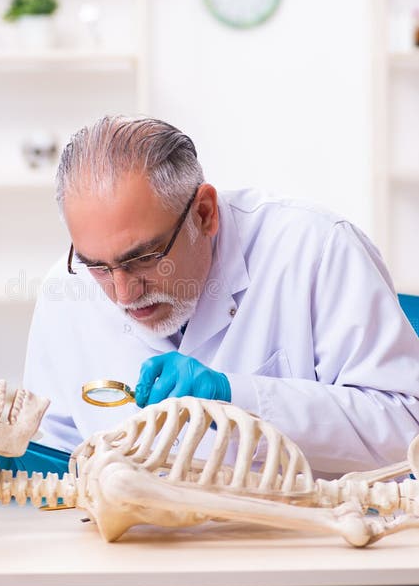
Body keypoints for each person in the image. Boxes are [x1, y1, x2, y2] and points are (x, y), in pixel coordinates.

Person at [23, 115, 419, 478]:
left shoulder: (317, 248)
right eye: (97, 266)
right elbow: (51, 457)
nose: (124, 292)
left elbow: (405, 431)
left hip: (297, 545)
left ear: (205, 213)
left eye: (144, 258)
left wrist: (237, 397)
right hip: (129, 548)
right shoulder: (65, 290)